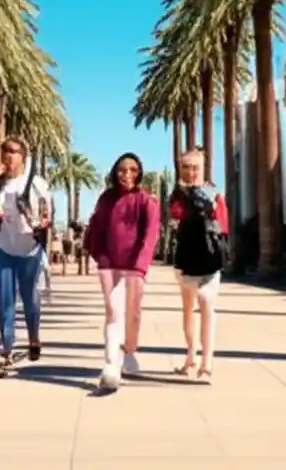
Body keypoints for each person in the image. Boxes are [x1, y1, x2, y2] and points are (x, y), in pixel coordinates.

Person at [84, 152, 160, 390]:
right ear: (115, 173)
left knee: (133, 314)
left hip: (135, 266)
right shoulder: (106, 198)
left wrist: (140, 266)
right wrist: (98, 254)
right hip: (109, 263)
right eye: (122, 170)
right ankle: (110, 363)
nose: (127, 174)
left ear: (139, 174)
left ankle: (129, 352)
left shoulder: (147, 201)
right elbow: (96, 226)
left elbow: (150, 235)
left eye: (132, 170)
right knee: (112, 312)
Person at [0, 136, 52, 376]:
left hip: (30, 250)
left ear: (24, 156)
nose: (9, 157)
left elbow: (46, 213)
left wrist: (42, 222)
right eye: (5, 152)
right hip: (4, 250)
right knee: (5, 302)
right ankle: (7, 351)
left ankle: (34, 337)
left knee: (31, 300)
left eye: (14, 152)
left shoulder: (36, 184)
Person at [168, 148, 228, 384]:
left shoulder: (215, 193)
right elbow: (176, 214)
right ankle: (190, 355)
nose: (191, 171)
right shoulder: (178, 193)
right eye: (186, 167)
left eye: (195, 167)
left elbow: (223, 225)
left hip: (210, 258)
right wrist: (194, 199)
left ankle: (207, 365)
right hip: (186, 257)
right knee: (187, 310)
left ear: (203, 168)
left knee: (207, 308)